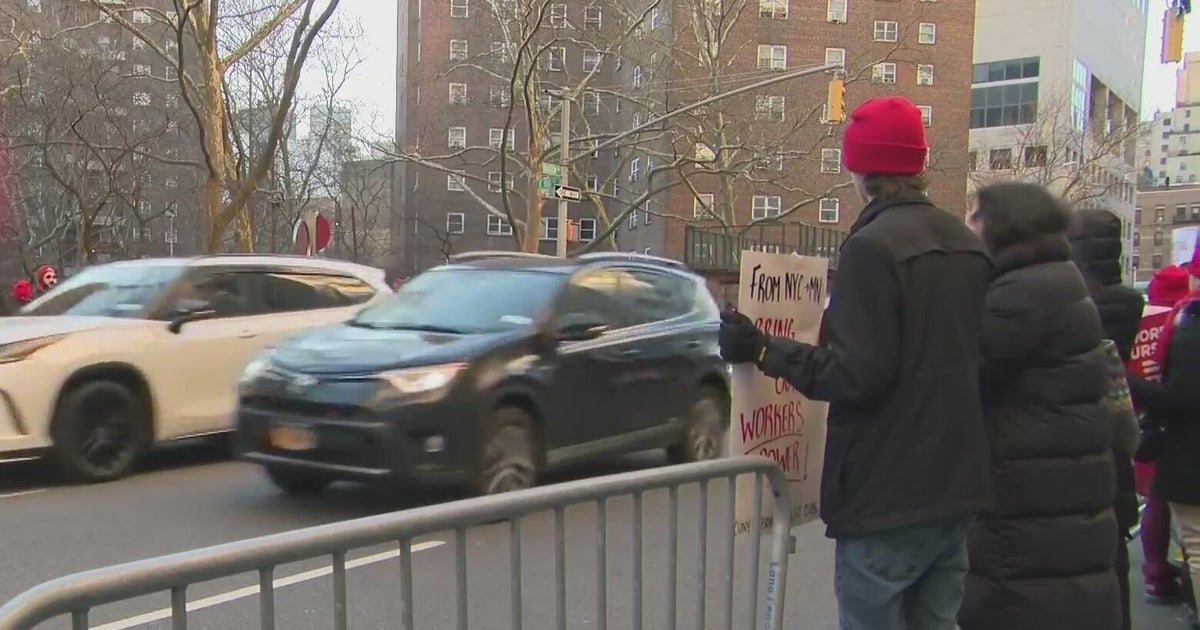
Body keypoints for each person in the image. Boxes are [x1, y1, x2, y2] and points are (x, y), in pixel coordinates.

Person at [718, 96, 993, 629]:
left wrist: (765, 350)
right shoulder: (968, 246)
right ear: (917, 165)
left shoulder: (872, 248)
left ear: (860, 171)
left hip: (888, 495)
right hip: (954, 490)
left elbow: (855, 375)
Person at [957, 182, 1120, 630]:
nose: (968, 224)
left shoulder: (1020, 294)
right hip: (1055, 489)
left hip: (1028, 499)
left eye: (975, 214)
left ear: (1002, 224)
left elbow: (963, 376)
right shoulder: (1057, 278)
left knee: (1026, 603)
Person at [1068, 207, 1146, 629]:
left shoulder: (1077, 308)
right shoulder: (1132, 303)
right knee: (1114, 562)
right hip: (1116, 444)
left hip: (1080, 440)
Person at [1129, 256, 1200, 624]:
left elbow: (1180, 397)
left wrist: (1129, 381)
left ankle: (1161, 578)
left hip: (1181, 451)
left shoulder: (1187, 323)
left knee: (1195, 543)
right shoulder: (1182, 320)